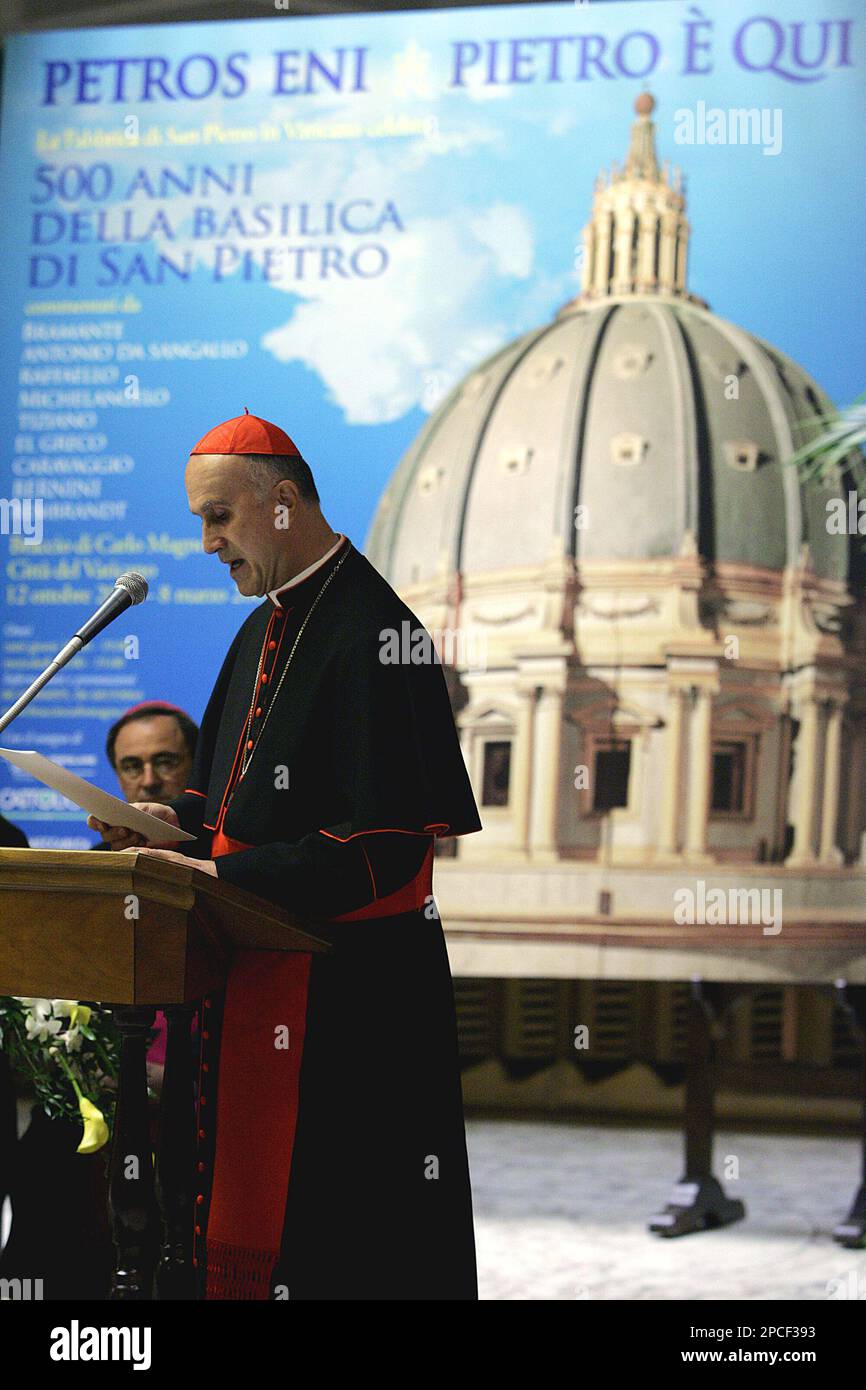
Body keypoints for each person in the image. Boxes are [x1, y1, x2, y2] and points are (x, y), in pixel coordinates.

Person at [90, 408, 482, 1301]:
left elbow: (382, 846)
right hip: (251, 976)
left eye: (218, 517)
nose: (206, 542)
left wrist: (221, 876)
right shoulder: (262, 626)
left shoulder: (381, 632)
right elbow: (221, 805)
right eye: (200, 520)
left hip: (353, 1002)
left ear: (282, 501)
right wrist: (155, 830)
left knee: (341, 1243)